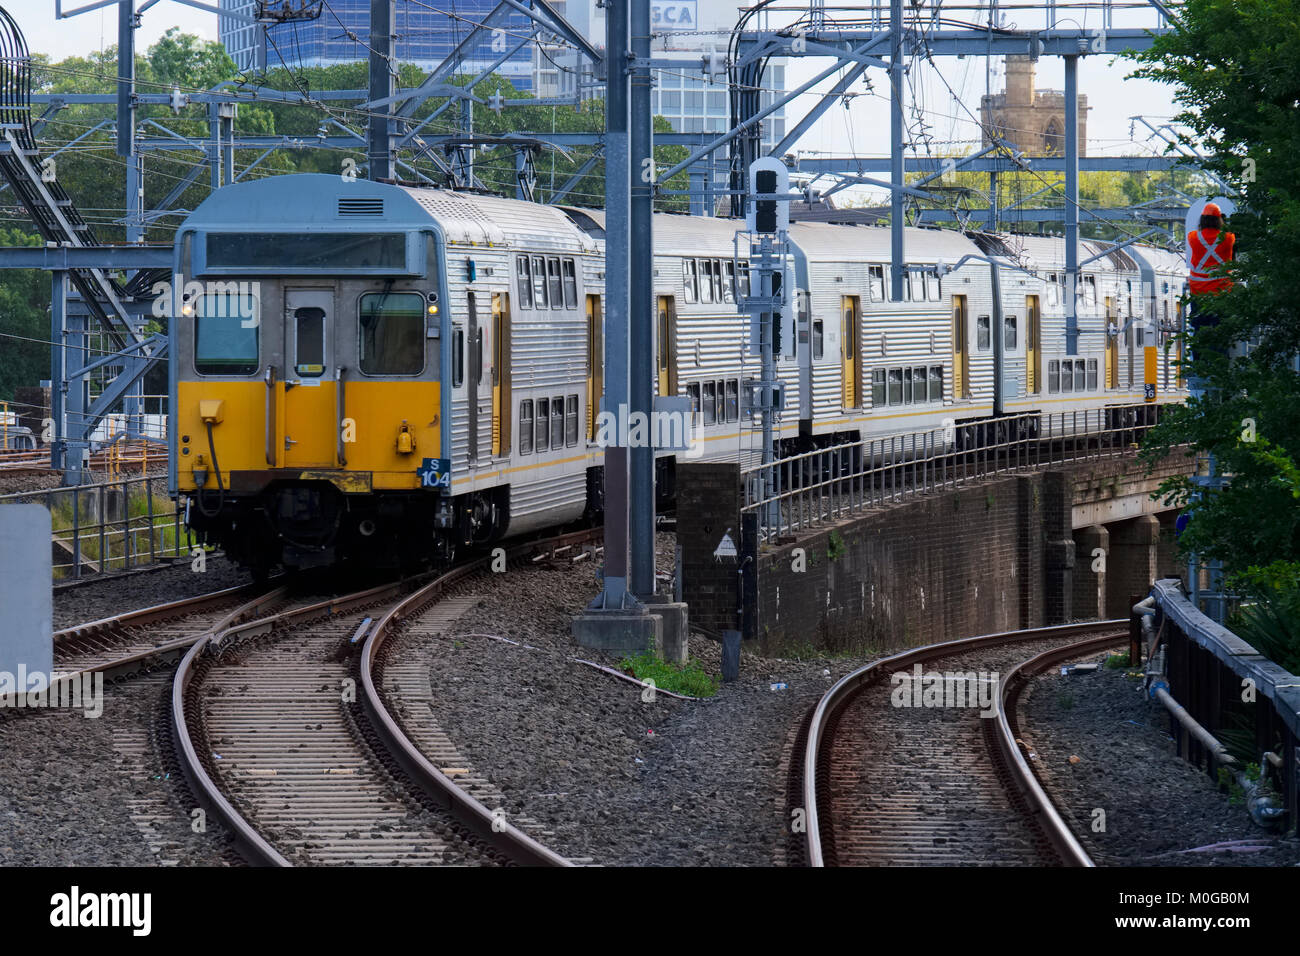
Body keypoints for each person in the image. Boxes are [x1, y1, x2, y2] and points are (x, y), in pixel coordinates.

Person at [1186, 202, 1235, 334]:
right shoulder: (1229, 238)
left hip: (1198, 291)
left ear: (1202, 219)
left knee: (1199, 329)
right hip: (1222, 290)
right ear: (1219, 219)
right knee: (1221, 329)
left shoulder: (1193, 237)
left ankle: (1199, 352)